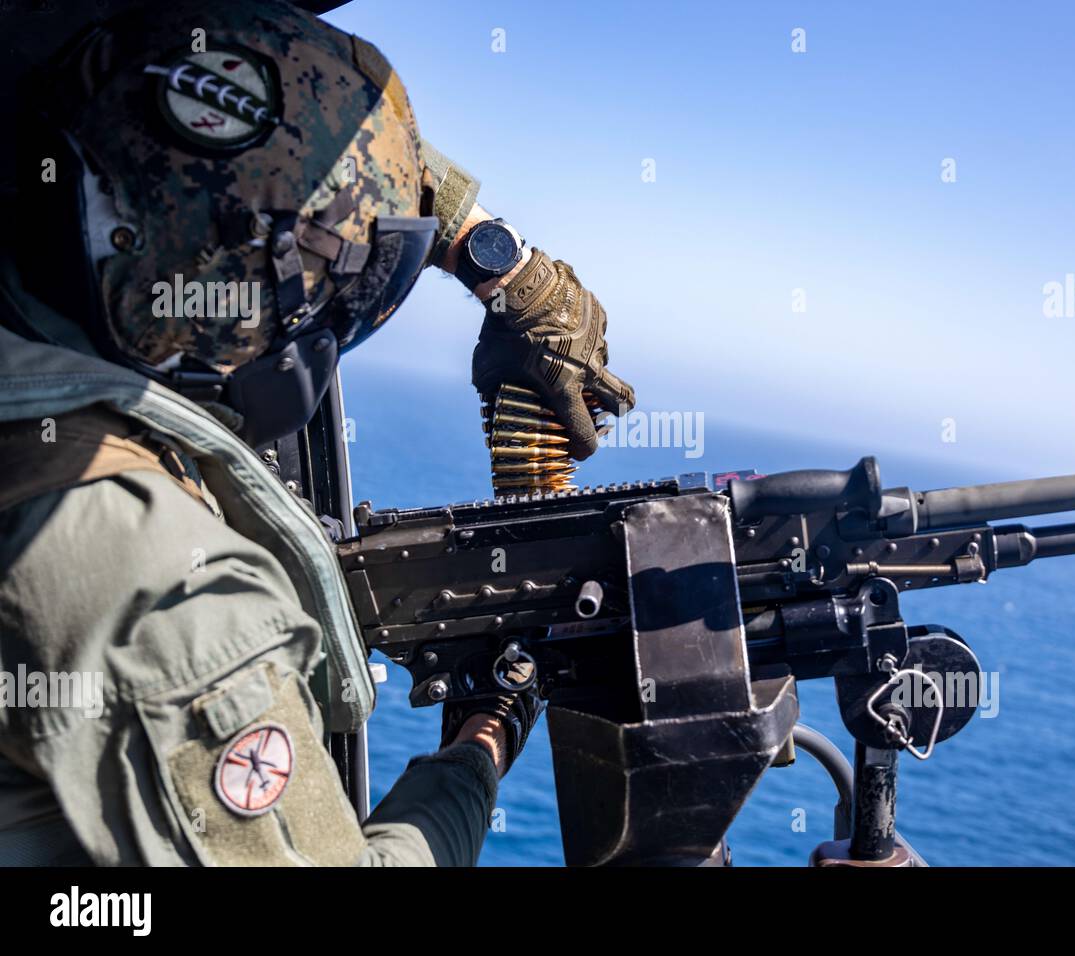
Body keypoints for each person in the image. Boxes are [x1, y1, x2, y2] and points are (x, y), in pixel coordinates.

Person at [0, 0, 634, 865]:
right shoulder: (153, 586)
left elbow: (229, 118)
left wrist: (493, 256)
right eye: (331, 294)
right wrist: (484, 742)